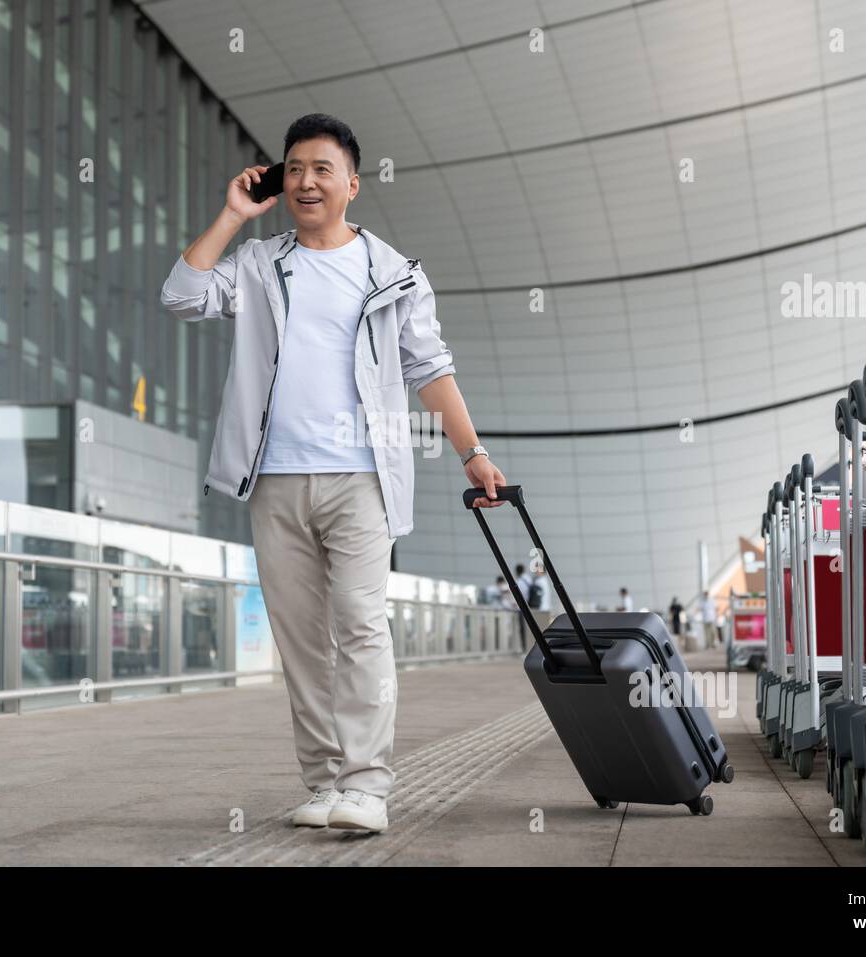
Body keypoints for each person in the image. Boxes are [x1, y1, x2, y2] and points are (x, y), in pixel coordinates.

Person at [161, 114, 509, 835]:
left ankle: (367, 783)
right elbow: (182, 296)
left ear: (353, 182)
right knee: (300, 640)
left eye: (321, 169)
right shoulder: (259, 265)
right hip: (275, 479)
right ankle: (322, 781)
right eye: (292, 170)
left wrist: (472, 451)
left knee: (360, 627)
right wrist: (232, 215)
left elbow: (431, 370)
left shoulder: (395, 273)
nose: (305, 182)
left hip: (362, 479)